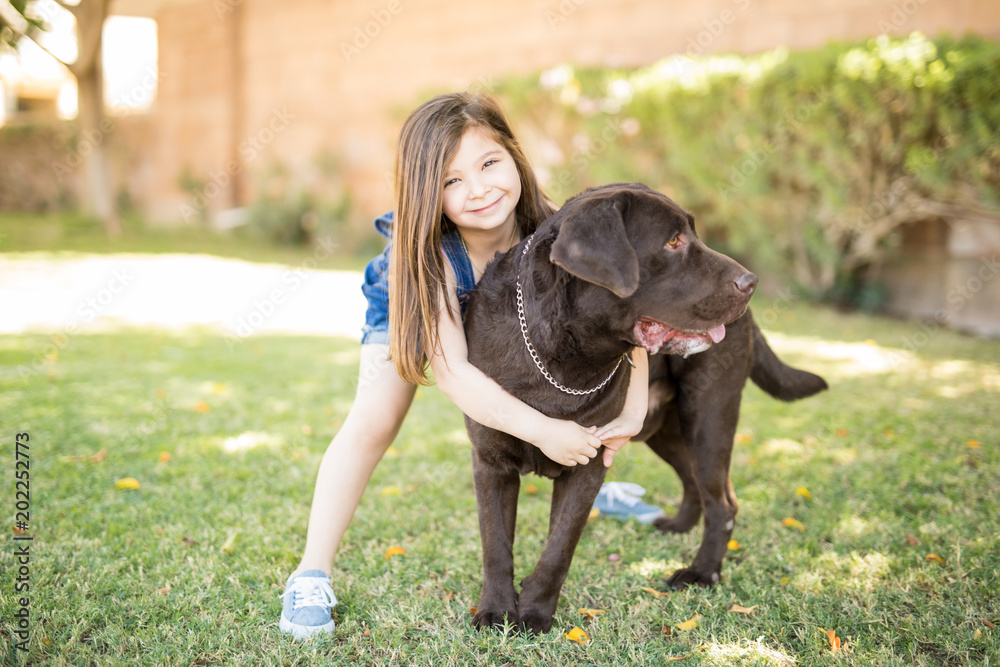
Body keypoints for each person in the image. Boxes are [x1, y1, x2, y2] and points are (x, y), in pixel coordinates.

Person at [279, 92, 649, 638]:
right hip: (417, 303)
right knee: (373, 422)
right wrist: (546, 432)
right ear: (427, 192)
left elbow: (623, 303)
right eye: (451, 181)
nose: (478, 190)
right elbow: (452, 373)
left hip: (514, 317)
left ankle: (580, 475)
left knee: (569, 379)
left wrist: (632, 410)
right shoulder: (425, 258)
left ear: (514, 156)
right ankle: (311, 573)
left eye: (489, 163)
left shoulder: (554, 229)